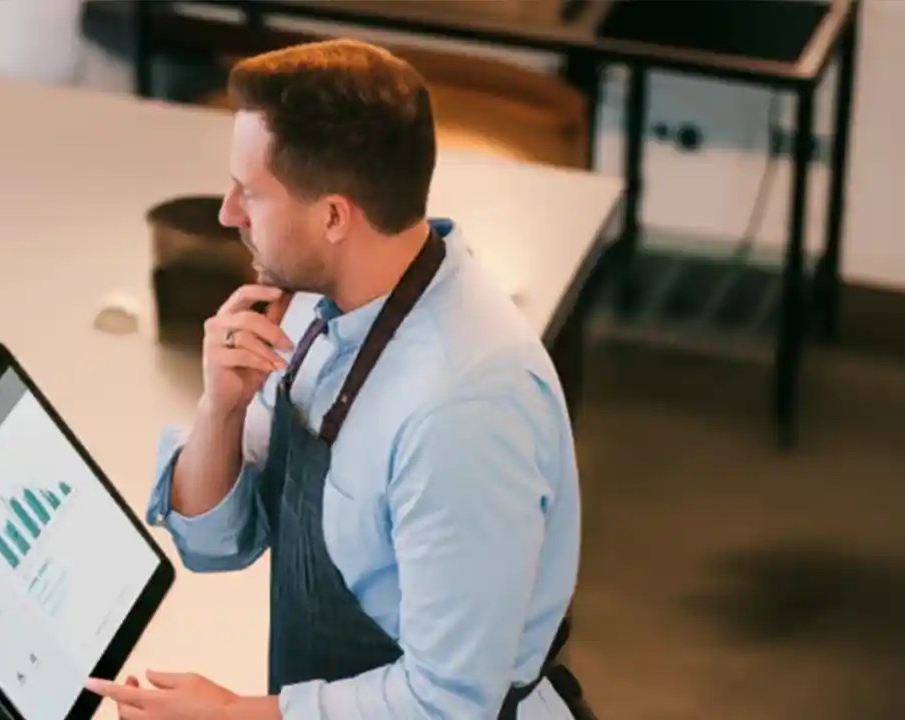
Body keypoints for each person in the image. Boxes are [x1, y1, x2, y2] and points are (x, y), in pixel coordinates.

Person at [87, 39, 592, 720]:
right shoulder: (323, 314)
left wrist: (236, 715)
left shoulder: (462, 410)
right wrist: (222, 408)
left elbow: (448, 705)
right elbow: (215, 546)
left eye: (251, 194)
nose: (227, 215)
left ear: (332, 216)